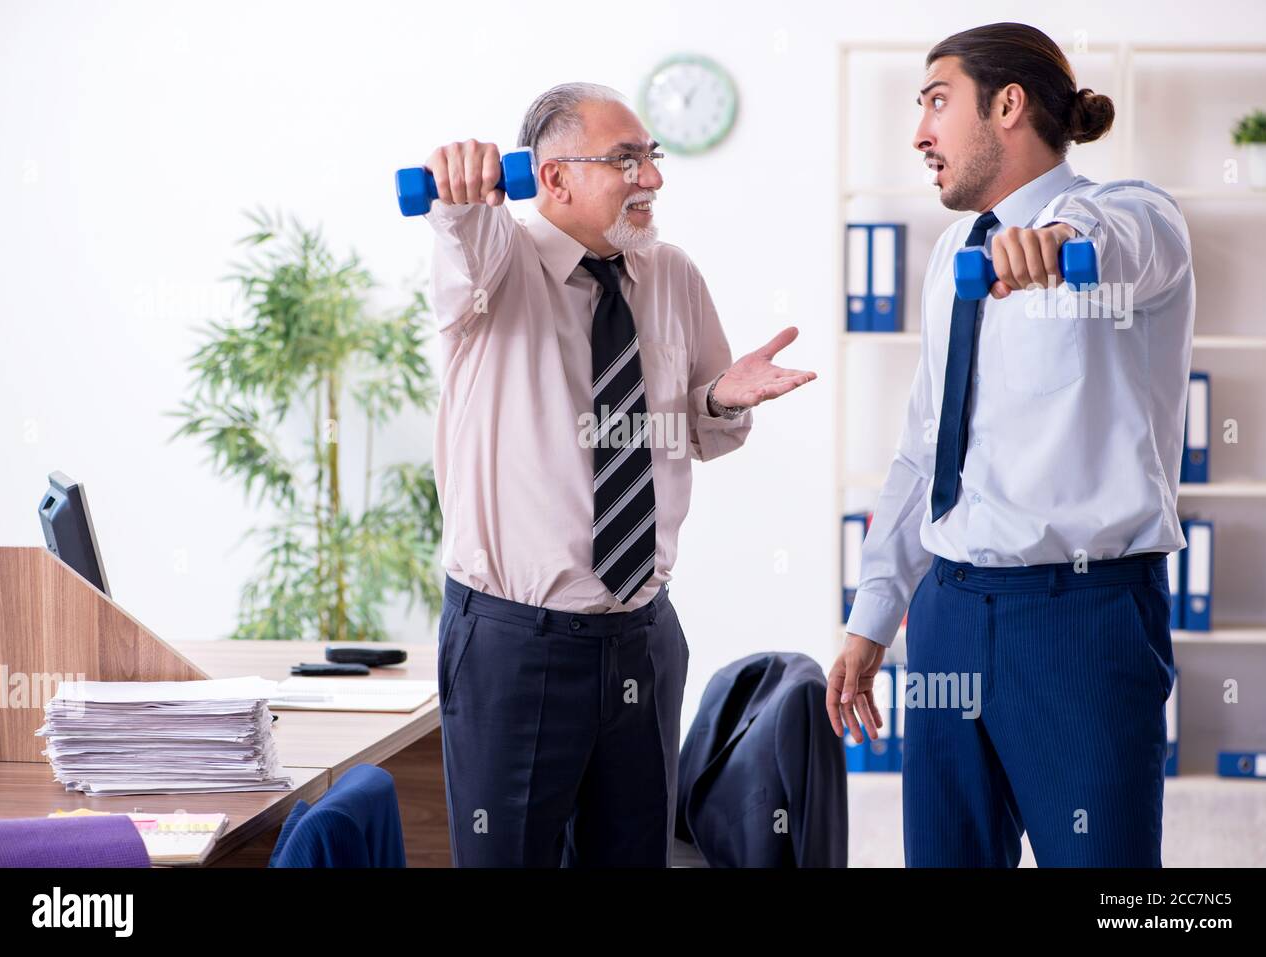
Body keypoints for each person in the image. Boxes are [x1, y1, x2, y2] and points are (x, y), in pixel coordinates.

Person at [826, 22, 1194, 867]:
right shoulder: (951, 255)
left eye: (936, 101)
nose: (919, 130)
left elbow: (1123, 243)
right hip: (950, 614)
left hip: (1082, 625)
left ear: (1009, 105)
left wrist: (1065, 248)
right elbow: (924, 449)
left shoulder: (1133, 215)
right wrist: (875, 615)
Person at [424, 82, 816, 866]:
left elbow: (698, 430)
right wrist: (460, 198)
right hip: (517, 642)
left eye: (652, 158)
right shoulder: (499, 265)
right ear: (553, 178)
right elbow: (464, 251)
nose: (653, 179)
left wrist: (718, 398)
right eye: (626, 161)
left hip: (641, 635)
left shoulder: (670, 274)